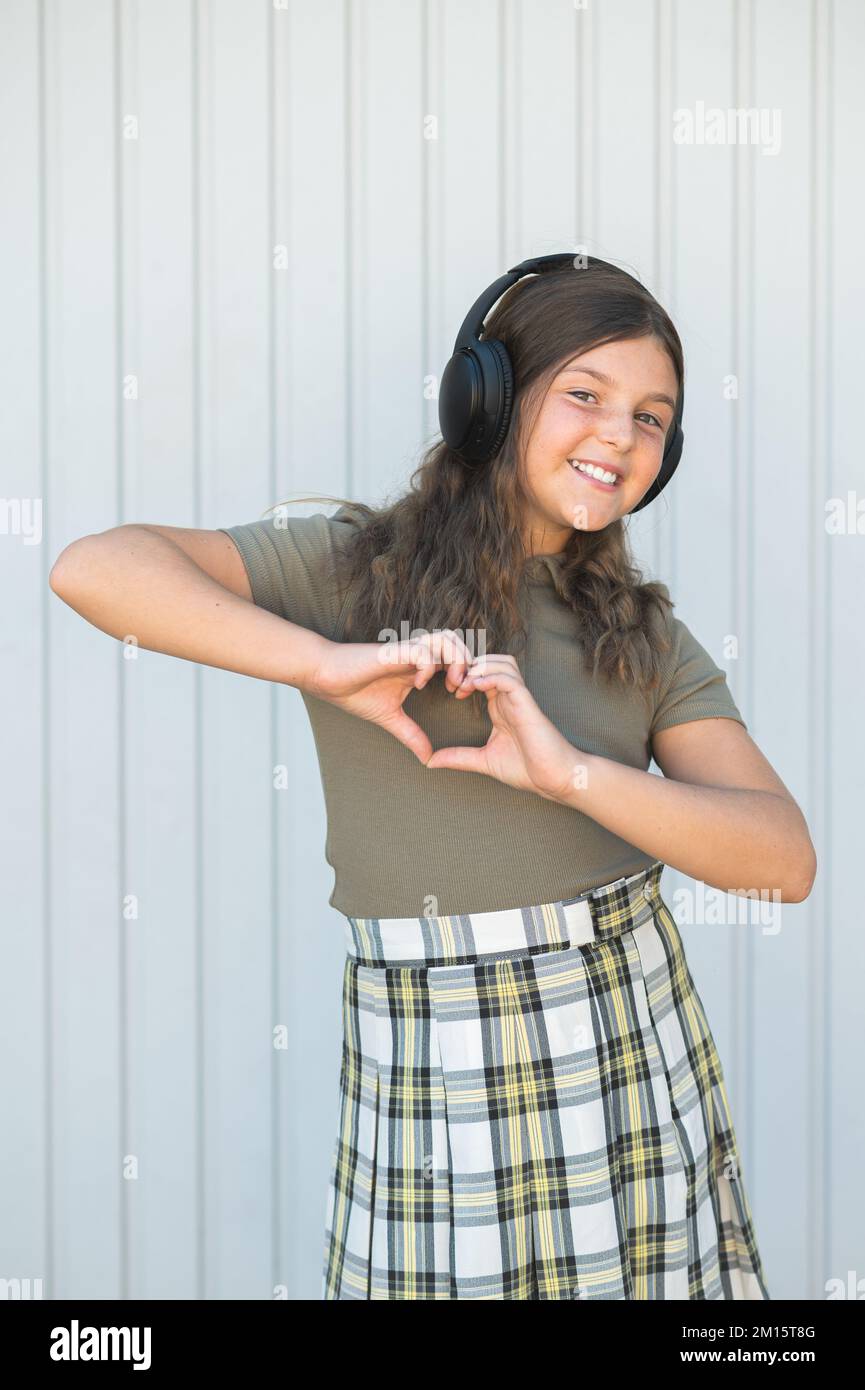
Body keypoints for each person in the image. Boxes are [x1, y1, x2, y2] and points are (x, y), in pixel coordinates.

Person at [50, 256, 815, 1301]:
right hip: (431, 1072)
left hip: (629, 1048)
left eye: (650, 419)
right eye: (584, 395)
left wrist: (573, 776)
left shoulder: (644, 635)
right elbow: (93, 567)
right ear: (486, 397)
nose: (617, 437)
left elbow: (782, 857)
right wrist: (322, 665)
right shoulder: (349, 567)